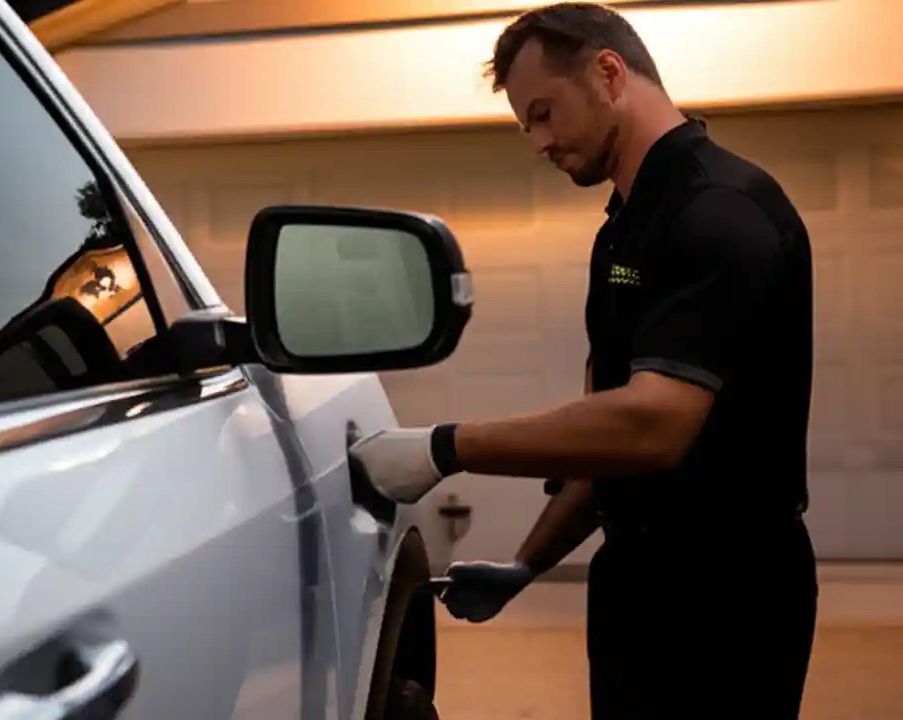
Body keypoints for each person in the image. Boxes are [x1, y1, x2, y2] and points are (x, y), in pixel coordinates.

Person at [349, 3, 818, 718]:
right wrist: (526, 564)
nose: (538, 142)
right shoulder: (625, 229)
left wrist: (445, 449)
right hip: (638, 577)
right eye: (525, 125)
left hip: (729, 589)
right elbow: (606, 439)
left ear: (608, 72)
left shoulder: (719, 210)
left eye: (544, 113)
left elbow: (650, 426)